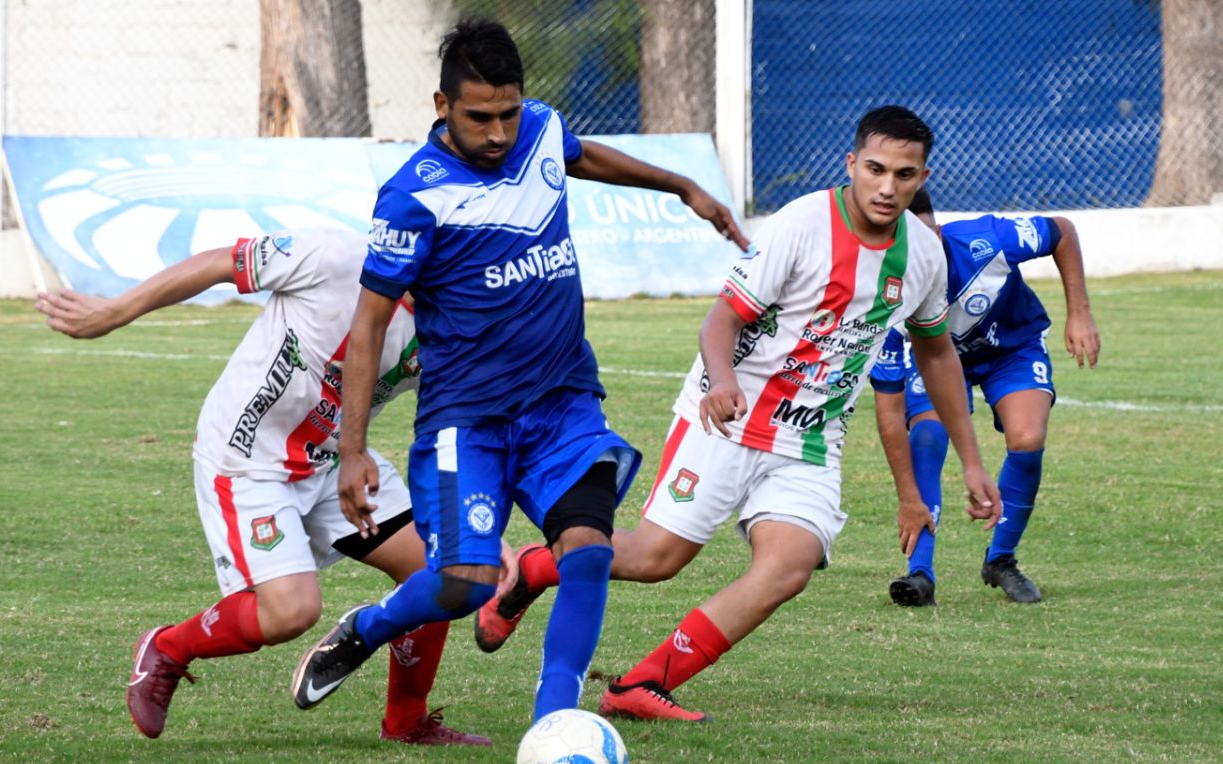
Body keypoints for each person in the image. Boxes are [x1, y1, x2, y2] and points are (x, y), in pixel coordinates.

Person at [473, 106, 1003, 722]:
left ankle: (641, 684)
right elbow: (721, 318)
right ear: (852, 164)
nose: (887, 187)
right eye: (875, 169)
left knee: (789, 566)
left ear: (922, 177)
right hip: (726, 418)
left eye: (904, 175)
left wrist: (972, 463)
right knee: (654, 560)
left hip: (809, 440)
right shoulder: (801, 225)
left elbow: (936, 352)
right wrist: (721, 382)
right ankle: (535, 567)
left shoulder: (924, 255)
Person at [290, 17, 748, 725]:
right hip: (466, 421)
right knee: (466, 585)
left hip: (562, 403)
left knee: (588, 550)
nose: (499, 132)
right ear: (442, 106)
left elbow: (581, 156)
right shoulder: (413, 197)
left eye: (508, 113)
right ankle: (370, 626)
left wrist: (681, 185)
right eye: (479, 118)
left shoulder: (540, 129)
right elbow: (370, 323)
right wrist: (352, 452)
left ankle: (554, 723)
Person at [37, 226, 496, 746]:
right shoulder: (334, 256)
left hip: (333, 460)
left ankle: (406, 721)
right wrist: (115, 312)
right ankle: (167, 648)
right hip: (248, 458)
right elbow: (220, 262)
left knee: (444, 568)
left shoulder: (452, 329)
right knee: (291, 612)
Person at [869, 188, 1100, 607]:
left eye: (927, 239)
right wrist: (906, 497)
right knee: (926, 437)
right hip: (933, 358)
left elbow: (1061, 231)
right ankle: (920, 573)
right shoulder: (884, 296)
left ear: (939, 231)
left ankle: (1001, 559)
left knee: (1027, 438)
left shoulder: (987, 241)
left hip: (1011, 348)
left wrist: (1079, 312)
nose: (921, 254)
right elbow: (889, 408)